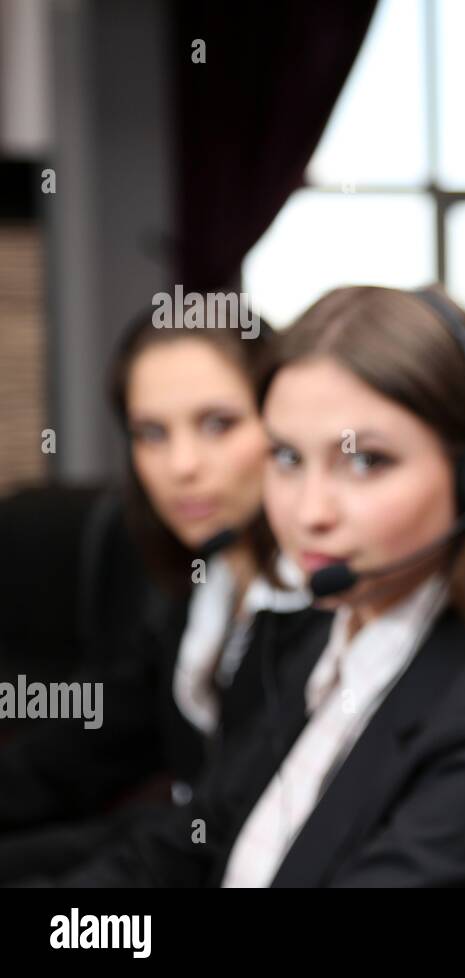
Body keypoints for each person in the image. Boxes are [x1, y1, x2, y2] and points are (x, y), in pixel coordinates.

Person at [56, 285, 465, 887]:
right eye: (286, 457)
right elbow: (185, 846)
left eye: (365, 462)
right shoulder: (316, 648)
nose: (309, 513)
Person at [0, 305, 311, 883]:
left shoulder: (328, 609)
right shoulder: (197, 589)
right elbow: (86, 744)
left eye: (218, 423)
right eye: (152, 433)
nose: (182, 465)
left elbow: (206, 835)